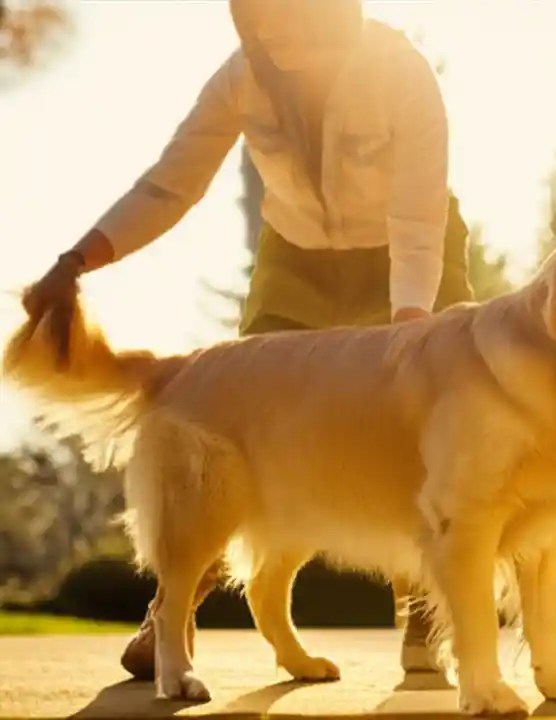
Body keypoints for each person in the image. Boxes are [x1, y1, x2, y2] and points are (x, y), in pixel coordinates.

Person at [19, 0, 471, 680]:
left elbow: (416, 220)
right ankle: (170, 614)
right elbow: (171, 184)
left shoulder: (398, 71)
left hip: (409, 253)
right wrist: (74, 260)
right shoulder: (243, 76)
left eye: (281, 11)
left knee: (416, 434)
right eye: (251, 12)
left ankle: (426, 620)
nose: (264, 28)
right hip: (295, 262)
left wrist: (407, 332)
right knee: (232, 433)